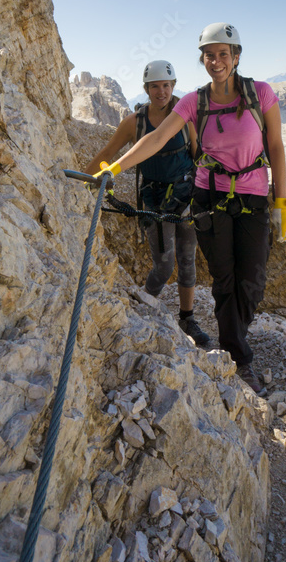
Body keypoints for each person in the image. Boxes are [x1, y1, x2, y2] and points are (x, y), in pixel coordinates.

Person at [93, 24, 286, 393]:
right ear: (202, 59)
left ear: (236, 56)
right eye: (209, 55)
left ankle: (234, 335)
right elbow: (156, 138)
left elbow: (276, 147)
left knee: (252, 279)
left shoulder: (261, 93)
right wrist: (116, 168)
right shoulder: (194, 102)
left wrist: (280, 200)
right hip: (209, 197)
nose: (216, 61)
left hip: (251, 196)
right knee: (224, 279)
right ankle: (237, 356)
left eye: (223, 54)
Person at [85, 60, 210, 348]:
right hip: (154, 201)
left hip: (186, 197)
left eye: (166, 85)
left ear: (173, 86)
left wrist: (205, 195)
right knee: (164, 266)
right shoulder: (135, 122)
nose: (162, 91)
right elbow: (108, 152)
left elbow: (197, 156)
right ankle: (143, 306)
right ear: (146, 89)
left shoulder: (186, 117)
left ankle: (188, 318)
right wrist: (84, 177)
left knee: (188, 261)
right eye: (155, 86)